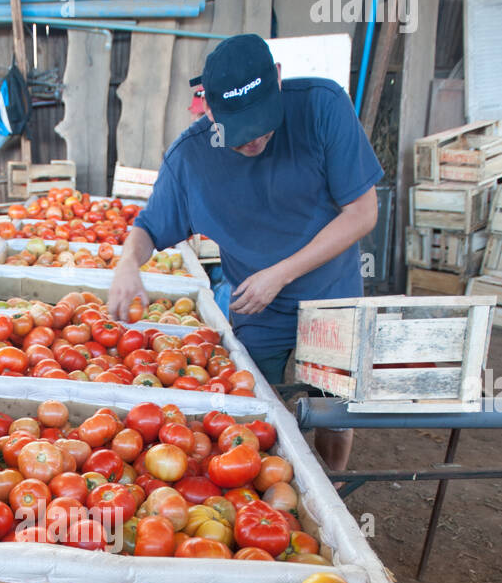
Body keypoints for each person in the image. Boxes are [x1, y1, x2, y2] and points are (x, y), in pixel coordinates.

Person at [109, 34, 382, 470]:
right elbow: (148, 228)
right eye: (238, 130)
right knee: (260, 410)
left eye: (263, 122)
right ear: (209, 108)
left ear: (277, 79)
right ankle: (282, 484)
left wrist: (282, 273)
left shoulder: (322, 106)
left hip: (334, 297)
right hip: (259, 307)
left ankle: (332, 484)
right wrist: (127, 265)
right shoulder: (190, 160)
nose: (254, 140)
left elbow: (363, 211)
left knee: (334, 411)